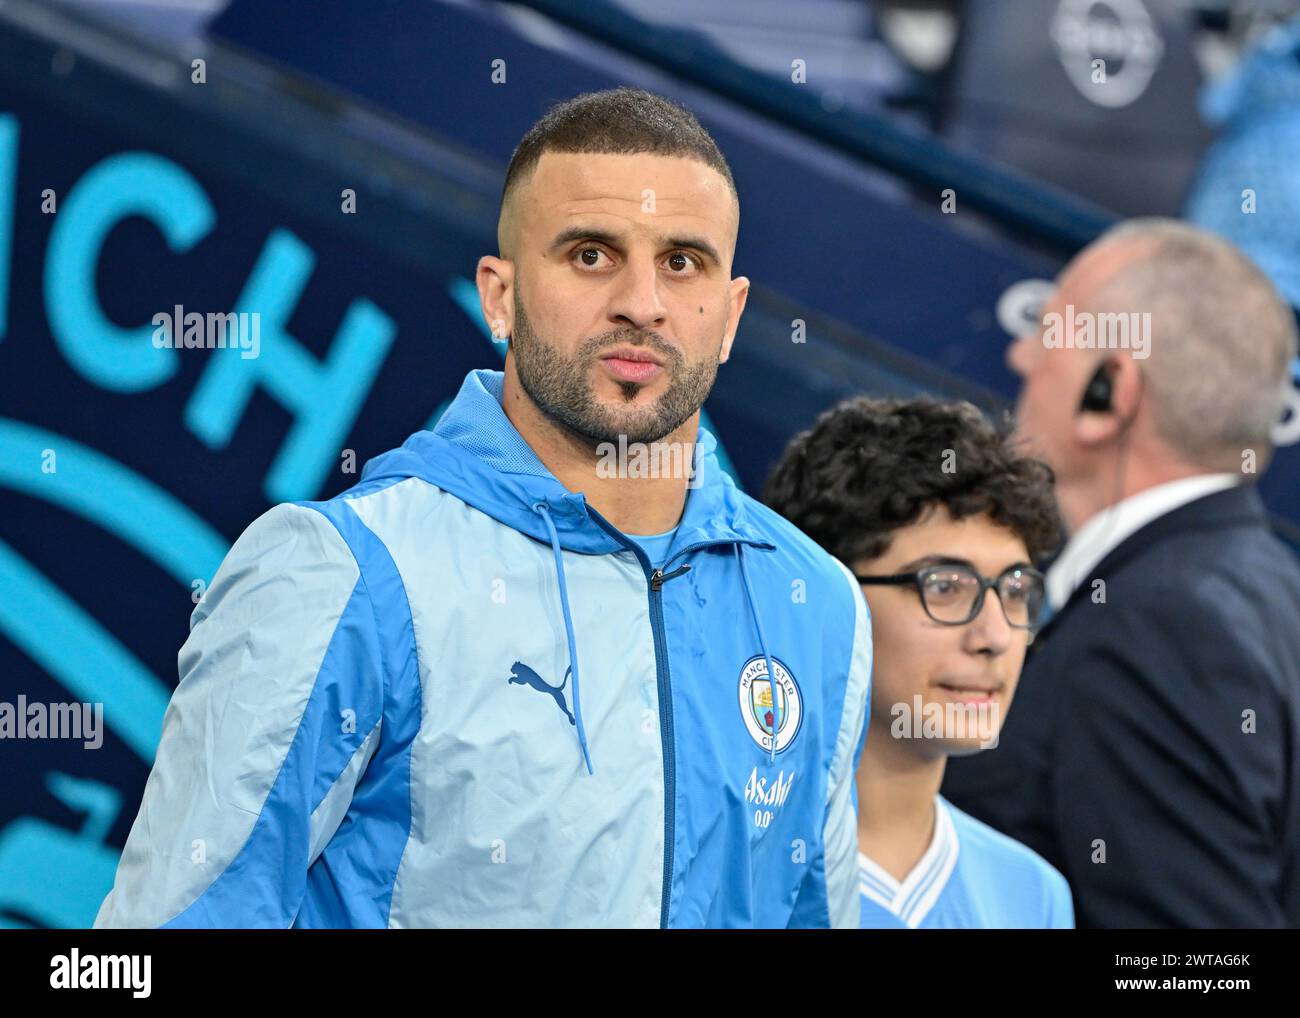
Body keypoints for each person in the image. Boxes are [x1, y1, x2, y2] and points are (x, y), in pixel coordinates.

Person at [92, 87, 872, 929]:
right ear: (498, 297)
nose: (642, 303)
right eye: (591, 255)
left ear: (730, 315)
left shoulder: (817, 605)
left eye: (683, 262)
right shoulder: (341, 568)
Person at [942, 217, 1300, 927]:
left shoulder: (1160, 628)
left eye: (1049, 329)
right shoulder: (1262, 592)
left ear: (1110, 393)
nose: (1018, 354)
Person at [764, 396, 1073, 928]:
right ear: (823, 593)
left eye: (1017, 590)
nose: (995, 636)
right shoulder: (726, 865)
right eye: (946, 586)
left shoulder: (1032, 895)